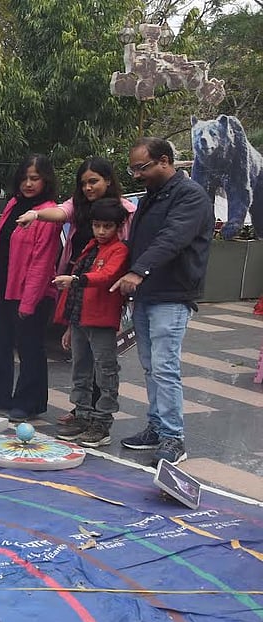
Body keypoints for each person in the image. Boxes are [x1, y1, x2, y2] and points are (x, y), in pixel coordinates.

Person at [111, 137, 213, 465]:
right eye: (133, 168)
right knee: (151, 366)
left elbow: (173, 238)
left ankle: (174, 437)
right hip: (146, 294)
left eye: (142, 167)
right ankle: (156, 427)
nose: (137, 175)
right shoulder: (152, 196)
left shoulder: (190, 196)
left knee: (166, 367)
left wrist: (138, 271)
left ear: (165, 161)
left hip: (172, 293)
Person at [16, 157, 137, 425]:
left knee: (103, 359)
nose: (88, 188)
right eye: (83, 183)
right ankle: (82, 411)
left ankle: (100, 414)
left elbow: (118, 262)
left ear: (108, 180)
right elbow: (60, 212)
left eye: (93, 182)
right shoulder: (79, 208)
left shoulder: (125, 212)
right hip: (78, 286)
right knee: (81, 356)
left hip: (104, 291)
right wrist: (36, 215)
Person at [0, 154, 62, 421]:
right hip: (6, 290)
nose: (28, 183)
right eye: (24, 178)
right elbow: (0, 245)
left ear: (45, 180)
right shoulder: (14, 204)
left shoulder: (47, 212)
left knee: (29, 348)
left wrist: (28, 301)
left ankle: (28, 402)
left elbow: (42, 263)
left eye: (34, 178)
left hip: (31, 295)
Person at [50, 197, 131, 448]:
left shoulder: (119, 250)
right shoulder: (90, 247)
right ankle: (82, 415)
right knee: (80, 369)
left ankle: (102, 421)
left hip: (102, 320)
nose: (101, 231)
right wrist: (69, 324)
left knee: (105, 371)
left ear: (118, 227)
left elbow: (105, 276)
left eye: (107, 226)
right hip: (80, 318)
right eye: (97, 225)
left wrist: (75, 279)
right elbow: (79, 290)